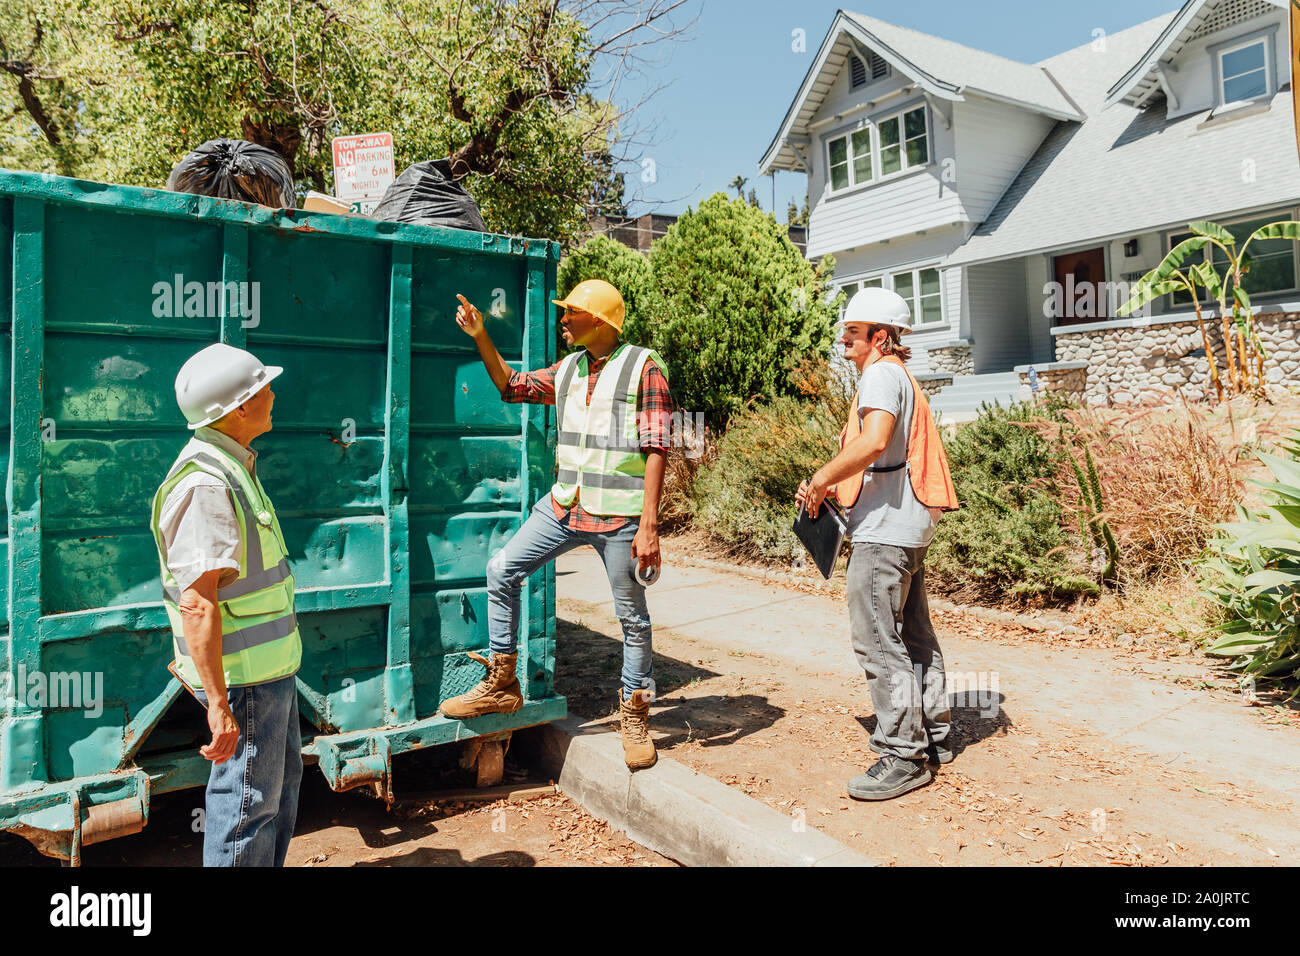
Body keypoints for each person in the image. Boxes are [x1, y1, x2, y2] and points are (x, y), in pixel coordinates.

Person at [440, 279, 672, 770]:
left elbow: (657, 447)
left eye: (571, 313)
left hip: (621, 516)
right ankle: (503, 685)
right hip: (567, 505)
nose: (562, 320)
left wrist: (649, 525)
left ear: (600, 321)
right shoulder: (569, 368)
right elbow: (512, 386)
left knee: (632, 620)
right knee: (502, 570)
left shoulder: (643, 368)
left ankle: (635, 715)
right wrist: (482, 335)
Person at [797, 287, 960, 801]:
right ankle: (934, 733)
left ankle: (902, 752)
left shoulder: (880, 373)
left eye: (852, 331)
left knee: (876, 639)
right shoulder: (902, 376)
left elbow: (872, 442)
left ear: (879, 337)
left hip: (884, 533)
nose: (844, 338)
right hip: (909, 528)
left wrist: (821, 479)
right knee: (913, 634)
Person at [149, 342, 302, 865]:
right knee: (246, 809)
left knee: (273, 802)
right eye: (264, 388)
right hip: (245, 681)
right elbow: (197, 603)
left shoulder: (232, 467)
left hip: (268, 672)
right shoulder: (205, 484)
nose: (274, 395)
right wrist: (218, 704)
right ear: (238, 407)